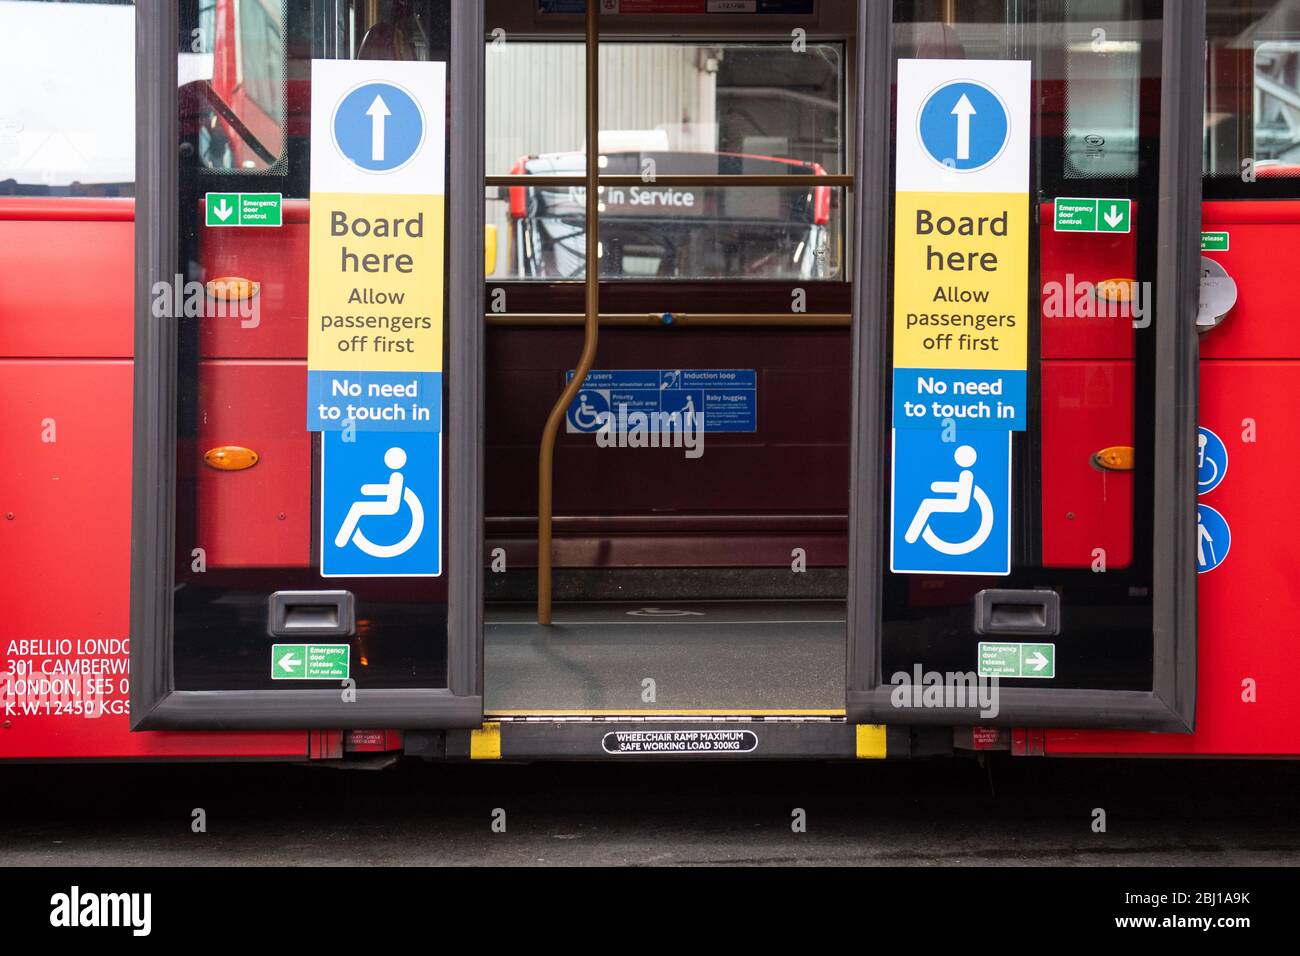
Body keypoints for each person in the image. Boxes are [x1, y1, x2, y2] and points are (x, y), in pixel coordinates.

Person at [334, 447, 408, 548]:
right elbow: (387, 490)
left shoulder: (397, 476)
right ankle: (342, 539)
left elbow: (391, 492)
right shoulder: (396, 475)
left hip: (390, 507)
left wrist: (367, 489)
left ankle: (342, 539)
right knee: (357, 507)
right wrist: (367, 490)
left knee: (358, 507)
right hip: (388, 504)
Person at [905, 444, 978, 545]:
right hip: (958, 502)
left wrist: (937, 486)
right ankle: (912, 535)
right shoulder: (965, 473)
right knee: (927, 504)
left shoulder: (967, 474)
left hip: (960, 505)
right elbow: (956, 488)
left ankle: (912, 535)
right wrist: (937, 487)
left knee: (927, 504)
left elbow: (960, 490)